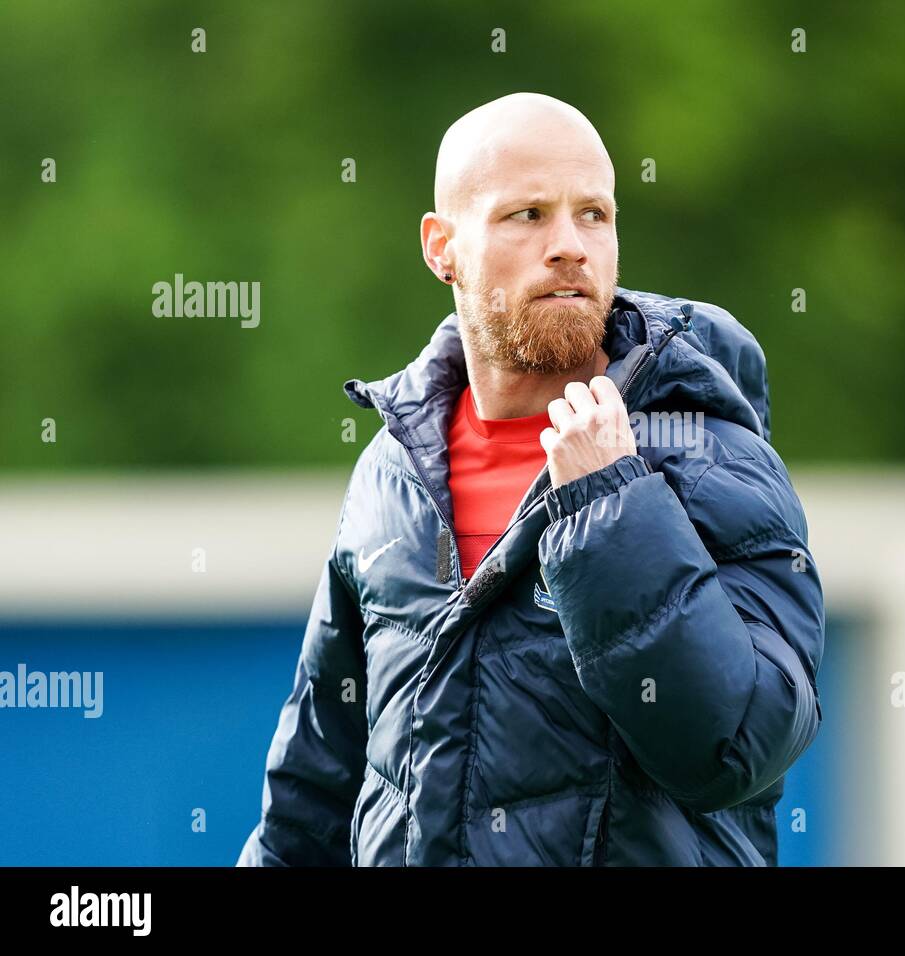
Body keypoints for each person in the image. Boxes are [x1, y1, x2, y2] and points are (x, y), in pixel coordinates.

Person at [237, 92, 824, 866]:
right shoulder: (393, 472)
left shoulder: (709, 453)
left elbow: (736, 748)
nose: (571, 245)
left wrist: (611, 507)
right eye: (528, 215)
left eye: (594, 215)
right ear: (440, 246)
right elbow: (312, 799)